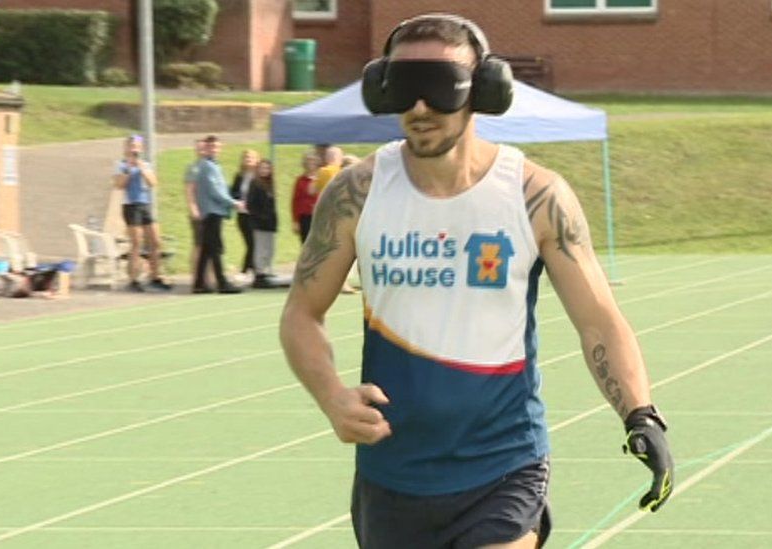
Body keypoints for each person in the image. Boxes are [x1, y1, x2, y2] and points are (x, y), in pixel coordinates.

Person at [280, 14, 674, 549]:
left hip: (503, 467)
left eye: (440, 88)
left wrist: (640, 413)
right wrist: (331, 396)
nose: (420, 108)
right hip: (392, 473)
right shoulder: (356, 193)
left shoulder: (536, 196)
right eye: (404, 88)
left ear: (484, 91)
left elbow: (598, 318)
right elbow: (302, 313)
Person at [112, 135, 171, 292]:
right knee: (136, 243)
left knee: (155, 241)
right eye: (131, 146)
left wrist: (142, 169)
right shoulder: (121, 165)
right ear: (126, 148)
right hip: (131, 205)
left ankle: (155, 276)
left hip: (145, 204)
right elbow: (119, 185)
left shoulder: (145, 164)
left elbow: (153, 183)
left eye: (137, 146)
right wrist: (129, 170)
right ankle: (133, 279)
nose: (134, 149)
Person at [193, 135, 245, 294]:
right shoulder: (208, 166)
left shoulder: (212, 165)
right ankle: (222, 282)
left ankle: (199, 283)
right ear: (206, 148)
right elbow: (215, 191)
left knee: (208, 248)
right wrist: (233, 203)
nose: (214, 149)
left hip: (212, 211)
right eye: (211, 147)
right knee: (215, 247)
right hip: (212, 211)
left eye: (216, 147)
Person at [183, 138, 212, 285]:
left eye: (204, 148)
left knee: (211, 246)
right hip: (199, 212)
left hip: (211, 212)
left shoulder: (211, 166)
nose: (202, 150)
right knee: (199, 245)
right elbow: (189, 190)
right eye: (199, 148)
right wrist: (193, 208)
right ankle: (196, 277)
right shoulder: (193, 168)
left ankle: (209, 277)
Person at [246, 159, 278, 288]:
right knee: (260, 248)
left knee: (269, 249)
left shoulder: (270, 185)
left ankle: (266, 271)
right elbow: (251, 205)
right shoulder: (255, 184)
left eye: (267, 168)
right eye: (262, 168)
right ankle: (259, 274)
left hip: (270, 223)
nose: (265, 171)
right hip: (259, 223)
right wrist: (260, 217)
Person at [230, 149, 260, 278]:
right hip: (243, 214)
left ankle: (247, 270)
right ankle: (249, 270)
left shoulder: (260, 176)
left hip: (256, 215)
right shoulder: (239, 176)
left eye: (251, 157)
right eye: (246, 157)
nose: (248, 159)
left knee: (255, 244)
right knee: (251, 243)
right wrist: (238, 201)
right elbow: (233, 193)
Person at [291, 151, 321, 244]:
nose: (311, 163)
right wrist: (295, 221)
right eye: (308, 160)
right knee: (306, 244)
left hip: (319, 216)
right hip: (305, 218)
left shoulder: (322, 178)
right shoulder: (300, 180)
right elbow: (295, 201)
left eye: (313, 160)